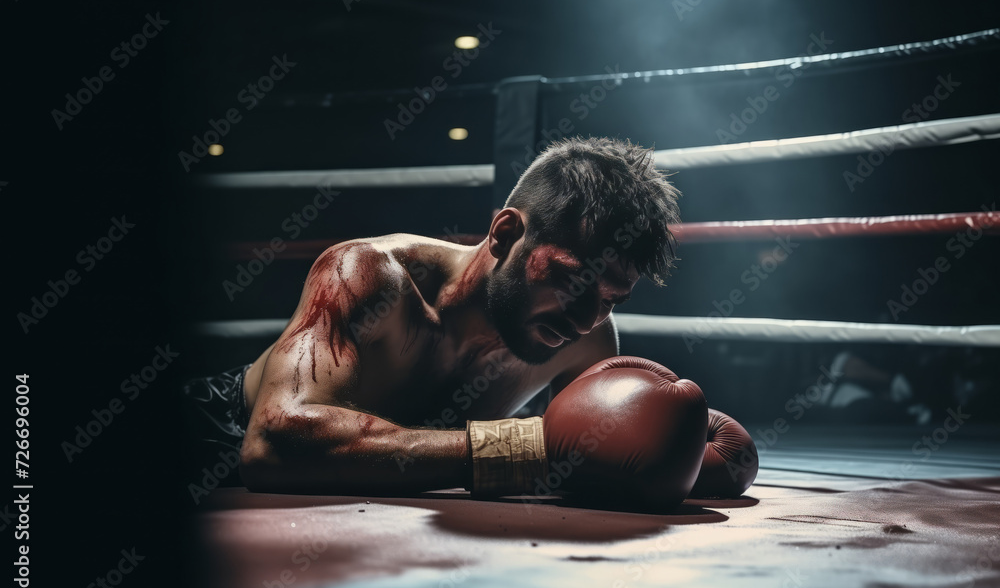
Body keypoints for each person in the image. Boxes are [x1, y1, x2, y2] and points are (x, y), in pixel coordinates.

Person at [185, 136, 682, 495]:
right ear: (506, 234)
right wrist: (517, 449)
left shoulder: (590, 341)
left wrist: (681, 451)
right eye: (572, 281)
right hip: (210, 429)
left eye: (612, 299)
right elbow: (271, 443)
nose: (584, 319)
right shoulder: (368, 274)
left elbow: (588, 464)